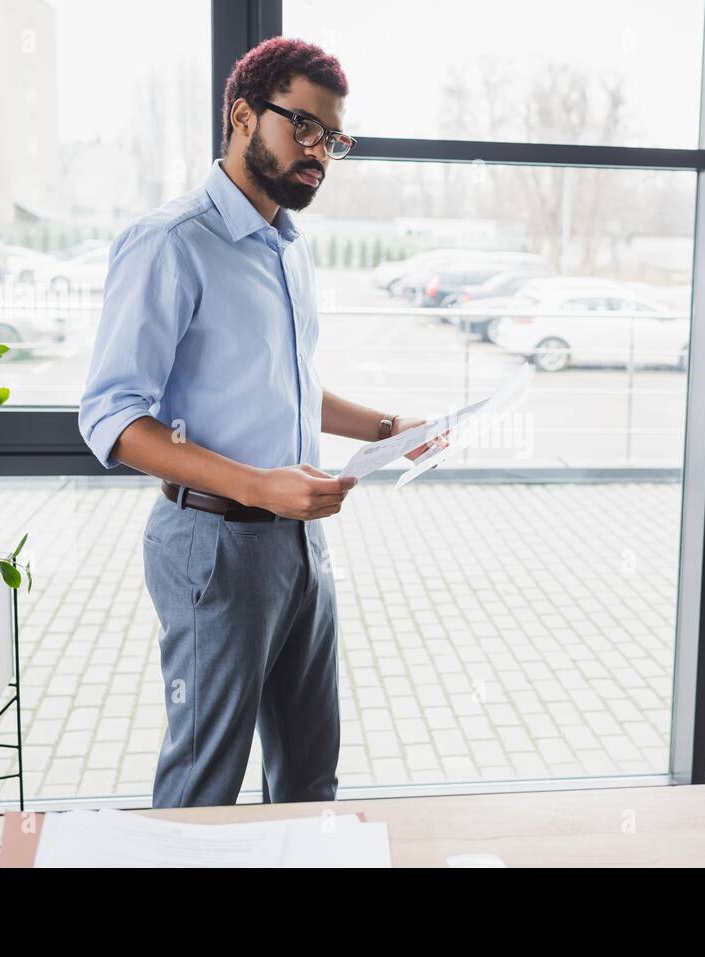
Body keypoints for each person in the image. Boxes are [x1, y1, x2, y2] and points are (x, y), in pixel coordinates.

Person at [78, 36, 440, 807]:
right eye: (303, 127)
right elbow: (112, 418)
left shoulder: (284, 245)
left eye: (332, 138)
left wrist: (390, 427)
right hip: (213, 545)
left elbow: (285, 386)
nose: (319, 153)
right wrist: (260, 486)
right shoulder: (171, 243)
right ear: (244, 116)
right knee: (206, 780)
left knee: (310, 776)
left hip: (302, 544)